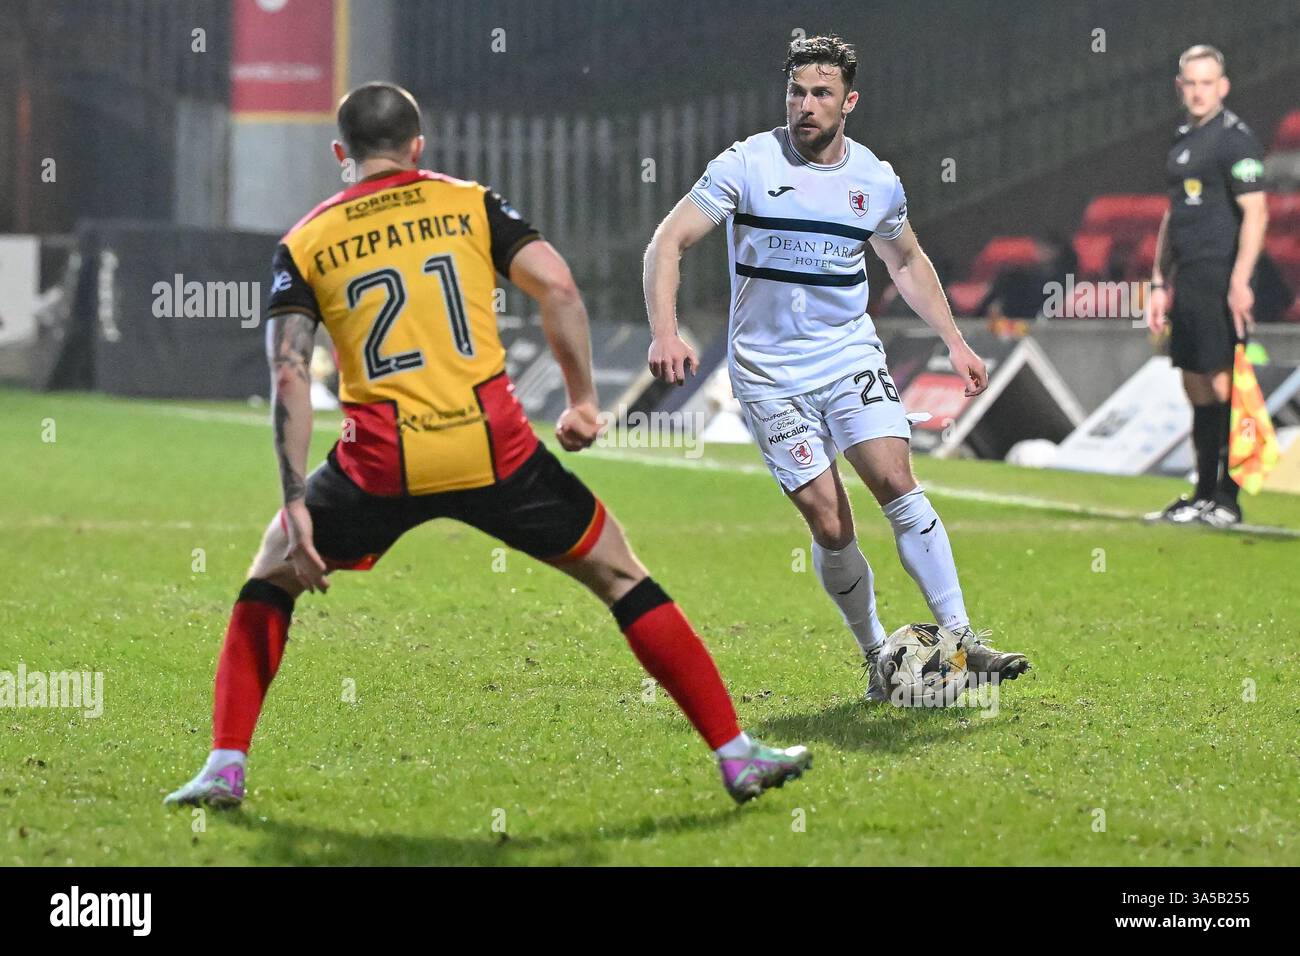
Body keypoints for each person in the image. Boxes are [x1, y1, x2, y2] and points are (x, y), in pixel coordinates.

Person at [164, 82, 811, 808]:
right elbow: (559, 287)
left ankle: (225, 764)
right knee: (621, 576)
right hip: (495, 452)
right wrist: (583, 401)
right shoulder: (469, 202)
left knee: (269, 575)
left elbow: (287, 373)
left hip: (378, 464)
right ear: (418, 146)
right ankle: (734, 754)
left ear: (342, 154)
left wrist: (295, 504)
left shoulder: (306, 240)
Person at [642, 36, 1030, 702]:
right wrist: (665, 331)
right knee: (830, 523)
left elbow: (905, 261)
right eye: (796, 92)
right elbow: (668, 243)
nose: (806, 105)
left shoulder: (874, 179)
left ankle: (961, 643)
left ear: (849, 101)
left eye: (821, 93)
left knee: (896, 480)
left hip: (848, 354)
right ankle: (879, 655)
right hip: (768, 374)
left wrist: (956, 341)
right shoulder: (748, 164)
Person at [1145, 45, 1269, 528]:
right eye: (1190, 83)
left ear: (1223, 86)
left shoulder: (1236, 141)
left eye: (1207, 82)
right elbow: (1173, 213)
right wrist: (1158, 280)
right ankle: (1201, 493)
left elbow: (1257, 212)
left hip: (1222, 274)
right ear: (1181, 87)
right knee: (1195, 381)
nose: (1198, 91)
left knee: (1224, 381)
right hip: (1189, 275)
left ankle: (1229, 498)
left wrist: (1241, 280)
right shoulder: (1180, 140)